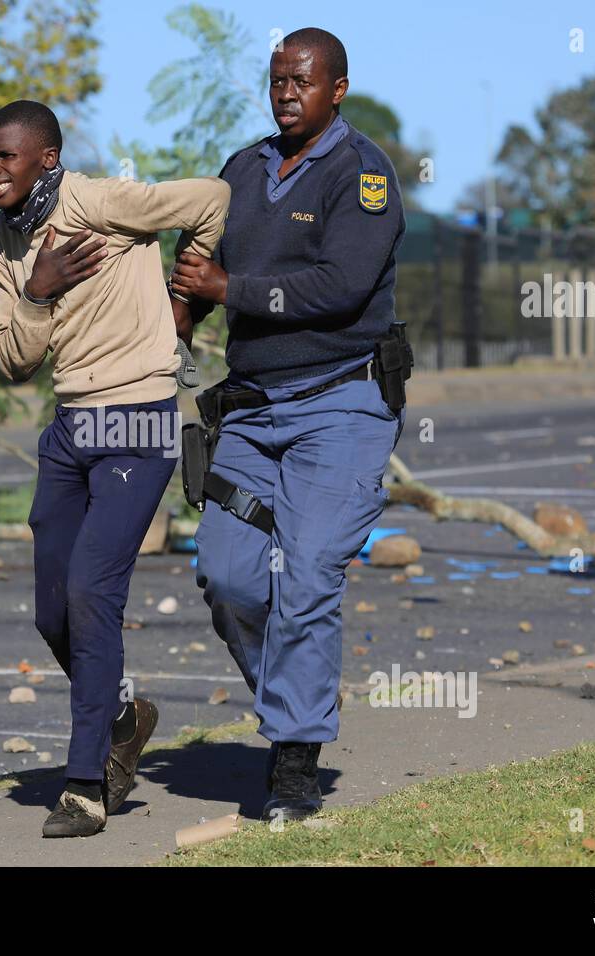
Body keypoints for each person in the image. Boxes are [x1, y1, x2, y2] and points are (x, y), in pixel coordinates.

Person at [170, 28, 410, 822]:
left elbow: (340, 287)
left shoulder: (363, 175)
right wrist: (173, 317)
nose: (285, 92)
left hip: (341, 405)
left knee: (306, 581)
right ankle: (294, 697)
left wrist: (228, 286)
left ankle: (296, 758)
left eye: (302, 80)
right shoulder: (243, 169)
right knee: (229, 574)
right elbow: (196, 265)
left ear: (337, 88)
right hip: (251, 408)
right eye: (276, 79)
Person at [0, 100, 230, 837]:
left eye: (7, 156)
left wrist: (185, 301)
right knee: (51, 610)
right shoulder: (3, 241)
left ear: (47, 159)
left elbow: (211, 200)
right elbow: (12, 362)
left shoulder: (101, 201)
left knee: (94, 590)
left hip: (139, 421)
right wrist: (37, 289)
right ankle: (123, 715)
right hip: (68, 428)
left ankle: (86, 785)